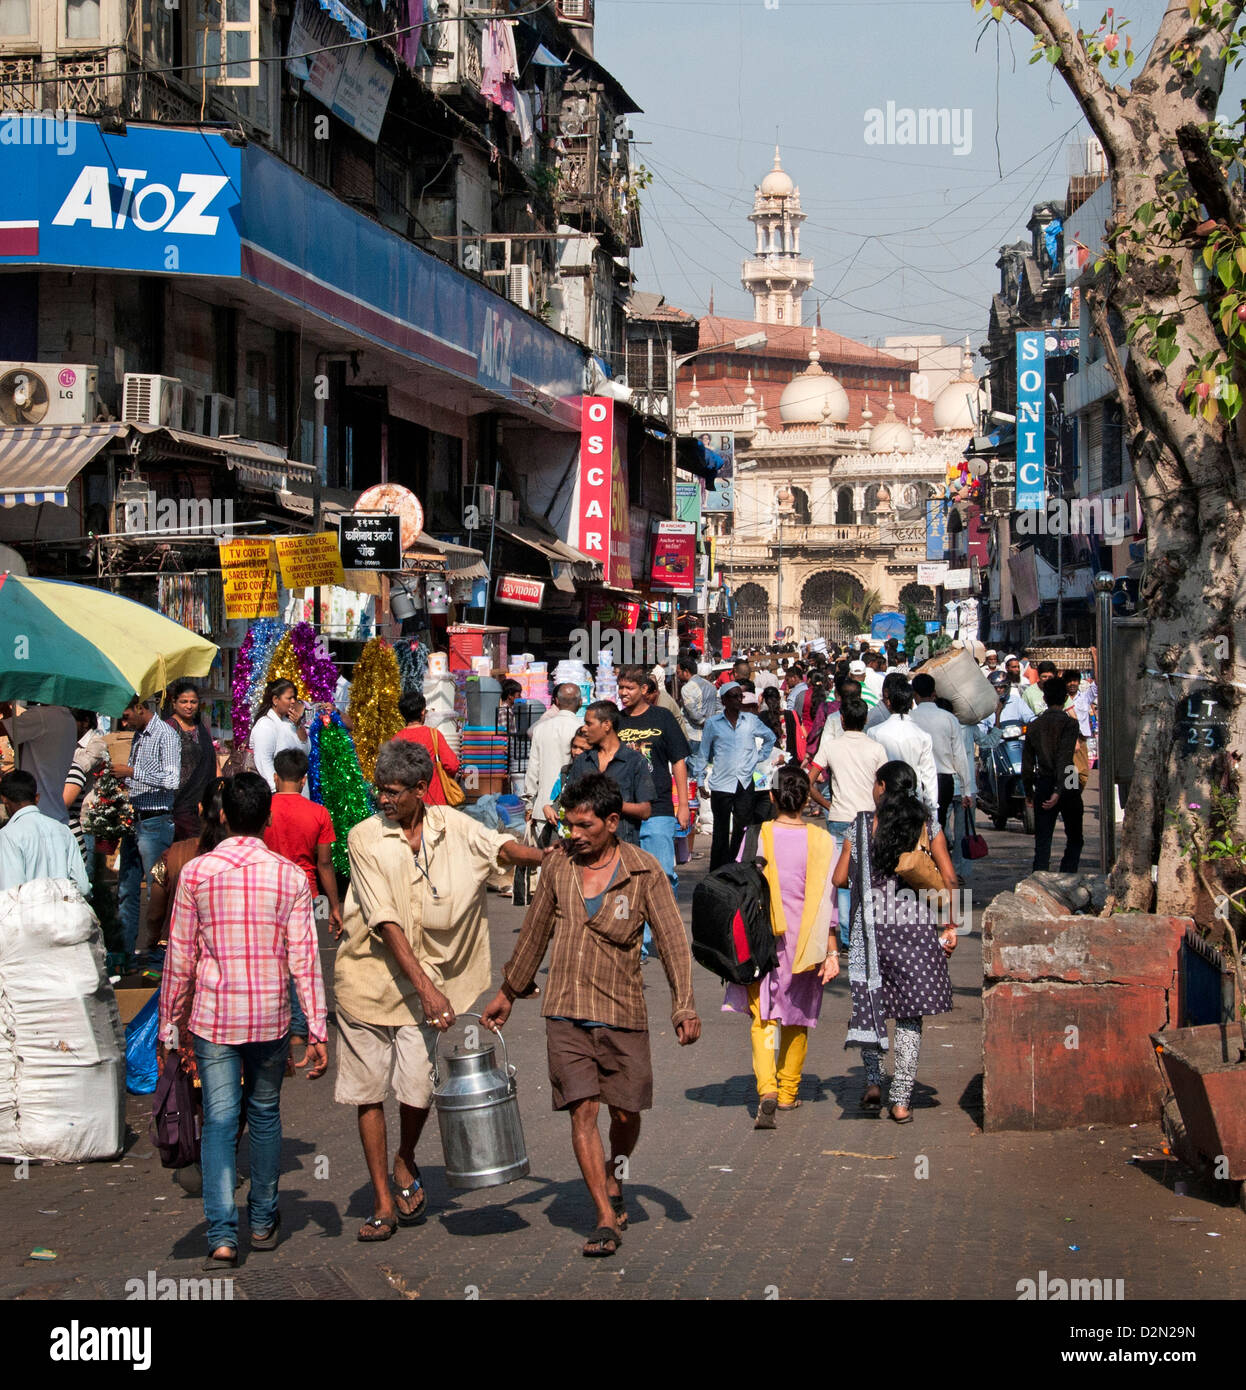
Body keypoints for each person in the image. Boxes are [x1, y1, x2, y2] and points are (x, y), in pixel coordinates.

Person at [333, 739, 545, 1242]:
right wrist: (428, 990)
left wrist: (547, 857)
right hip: (367, 981)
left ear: (419, 791)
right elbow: (384, 920)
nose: (383, 800)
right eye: (379, 790)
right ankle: (383, 1201)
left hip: (429, 986)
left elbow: (498, 847)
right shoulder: (363, 837)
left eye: (393, 792)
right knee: (369, 1094)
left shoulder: (452, 825)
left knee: (417, 1087)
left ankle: (405, 1159)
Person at [482, 772, 700, 1257]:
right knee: (583, 1109)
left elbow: (672, 943)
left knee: (626, 1110)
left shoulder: (643, 872)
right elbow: (535, 931)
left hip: (623, 1011)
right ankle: (603, 1214)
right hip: (565, 1009)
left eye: (584, 826)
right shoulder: (559, 867)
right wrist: (508, 993)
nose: (573, 835)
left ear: (612, 822)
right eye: (569, 825)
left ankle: (615, 1172)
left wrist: (683, 1005)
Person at [159, 773, 329, 1269]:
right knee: (264, 1114)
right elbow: (305, 959)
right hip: (271, 1017)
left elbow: (180, 958)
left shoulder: (197, 874)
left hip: (214, 1017)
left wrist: (169, 1024)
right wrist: (316, 1029)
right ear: (268, 818)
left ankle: (222, 1236)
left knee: (218, 1120)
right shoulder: (290, 877)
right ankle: (262, 1219)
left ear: (223, 816)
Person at [833, 760, 959, 1124]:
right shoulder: (926, 825)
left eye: (876, 783)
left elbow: (840, 878)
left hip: (869, 933)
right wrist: (951, 927)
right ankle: (901, 1100)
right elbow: (949, 878)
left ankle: (874, 1081)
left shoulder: (858, 826)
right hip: (913, 929)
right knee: (909, 1017)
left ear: (884, 787)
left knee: (872, 1005)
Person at [723, 765, 840, 1128]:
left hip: (761, 941)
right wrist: (832, 950)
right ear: (807, 800)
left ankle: (767, 1090)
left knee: (763, 1019)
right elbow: (828, 902)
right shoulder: (823, 842)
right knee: (797, 1018)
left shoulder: (758, 835)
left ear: (771, 797)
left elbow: (739, 887)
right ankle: (788, 1093)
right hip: (806, 942)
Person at [264, 747, 343, 1055]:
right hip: (305, 893)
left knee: (271, 959)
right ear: (304, 779)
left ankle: (274, 1024)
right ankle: (299, 1030)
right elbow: (324, 864)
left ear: (274, 776)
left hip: (267, 891)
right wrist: (333, 905)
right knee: (301, 961)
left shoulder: (263, 809)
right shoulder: (318, 813)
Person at [115, 695, 181, 973]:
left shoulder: (165, 734)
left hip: (155, 821)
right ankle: (123, 954)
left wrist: (132, 771)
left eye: (126, 714)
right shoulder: (139, 736)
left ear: (140, 707)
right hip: (135, 817)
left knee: (157, 891)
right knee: (126, 890)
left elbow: (172, 779)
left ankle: (157, 955)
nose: (123, 721)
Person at [143, 779, 230, 985]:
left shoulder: (173, 855)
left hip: (174, 952)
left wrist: (152, 941)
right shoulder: (246, 859)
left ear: (200, 808)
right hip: (226, 955)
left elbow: (155, 913)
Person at [616, 666, 690, 897]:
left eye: (629, 687)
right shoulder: (615, 721)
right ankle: (641, 934)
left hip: (659, 808)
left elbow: (678, 761)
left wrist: (684, 806)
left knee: (663, 874)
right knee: (628, 877)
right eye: (620, 687)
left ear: (644, 688)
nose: (623, 693)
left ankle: (666, 928)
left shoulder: (662, 718)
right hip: (624, 810)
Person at [700, 681, 777, 870]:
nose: (737, 700)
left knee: (743, 827)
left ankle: (737, 865)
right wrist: (700, 779)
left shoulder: (750, 721)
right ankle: (718, 870)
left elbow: (770, 737)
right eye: (733, 696)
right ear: (724, 700)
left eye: (739, 696)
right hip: (721, 784)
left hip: (744, 782)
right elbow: (703, 753)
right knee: (720, 830)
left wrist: (759, 757)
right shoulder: (713, 724)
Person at [567, 700, 655, 846]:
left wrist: (612, 804)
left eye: (589, 724)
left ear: (607, 725)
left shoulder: (634, 761)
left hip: (623, 847)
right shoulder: (582, 761)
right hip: (587, 849)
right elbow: (569, 803)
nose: (584, 729)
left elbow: (645, 811)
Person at [1023, 678, 1084, 873]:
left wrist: (1028, 792)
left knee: (1043, 838)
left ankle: (1039, 878)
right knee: (1075, 836)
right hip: (1069, 778)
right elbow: (1065, 757)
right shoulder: (1071, 724)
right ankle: (1068, 874)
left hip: (1044, 780)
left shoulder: (1034, 725)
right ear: (1066, 698)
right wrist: (1060, 790)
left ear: (1045, 698)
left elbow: (1027, 764)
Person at [0, 769, 91, 895]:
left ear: (4, 800)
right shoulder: (63, 830)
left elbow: (12, 893)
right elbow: (83, 887)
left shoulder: (8, 835)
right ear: (37, 798)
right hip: (65, 912)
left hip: (28, 912)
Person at [866, 675, 939, 824]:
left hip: (885, 801)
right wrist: (932, 812)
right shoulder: (922, 735)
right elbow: (929, 776)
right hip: (913, 802)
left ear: (889, 702)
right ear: (911, 703)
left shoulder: (875, 732)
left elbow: (870, 772)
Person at [909, 672, 971, 839]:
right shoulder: (949, 718)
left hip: (916, 780)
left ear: (914, 694)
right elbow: (959, 755)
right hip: (944, 782)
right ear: (934, 693)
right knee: (939, 825)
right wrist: (966, 789)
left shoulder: (909, 718)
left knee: (916, 828)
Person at [0, 701, 76, 825]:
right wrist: (7, 711)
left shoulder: (41, 716)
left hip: (37, 813)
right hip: (53, 812)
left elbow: (4, 729)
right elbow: (18, 744)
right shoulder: (68, 719)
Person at [523, 683, 582, 827]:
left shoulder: (540, 729)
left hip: (543, 809)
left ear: (556, 701)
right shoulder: (582, 730)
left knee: (544, 850)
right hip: (572, 810)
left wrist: (529, 805)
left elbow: (532, 770)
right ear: (580, 702)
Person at [165, 680, 217, 839]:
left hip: (202, 801)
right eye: (184, 701)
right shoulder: (169, 727)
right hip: (179, 800)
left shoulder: (199, 726)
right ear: (174, 703)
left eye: (193, 702)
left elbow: (212, 760)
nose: (189, 706)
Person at [392, 691, 460, 805]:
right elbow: (452, 765)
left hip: (407, 803)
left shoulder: (396, 740)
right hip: (435, 800)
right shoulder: (434, 734)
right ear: (422, 712)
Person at [62, 708, 108, 874]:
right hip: (65, 818)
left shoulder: (97, 744)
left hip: (83, 819)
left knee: (82, 873)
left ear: (85, 721)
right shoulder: (66, 742)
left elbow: (80, 766)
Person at [250, 680, 308, 795]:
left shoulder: (290, 723)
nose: (293, 701)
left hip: (296, 792)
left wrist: (299, 725)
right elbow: (264, 762)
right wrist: (278, 791)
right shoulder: (265, 725)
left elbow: (306, 750)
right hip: (279, 793)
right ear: (275, 700)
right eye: (289, 698)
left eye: (294, 698)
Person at [676, 650, 718, 784]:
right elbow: (719, 708)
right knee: (708, 764)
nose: (677, 676)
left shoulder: (687, 688)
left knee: (695, 766)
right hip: (710, 733)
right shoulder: (710, 686)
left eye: (678, 672)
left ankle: (698, 793)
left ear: (686, 671)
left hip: (695, 735)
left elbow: (694, 714)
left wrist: (705, 722)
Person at [542, 725, 592, 831]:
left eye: (583, 749)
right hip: (561, 834)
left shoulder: (596, 777)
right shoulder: (566, 771)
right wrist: (547, 808)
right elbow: (555, 800)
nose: (577, 752)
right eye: (574, 747)